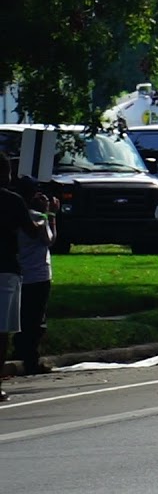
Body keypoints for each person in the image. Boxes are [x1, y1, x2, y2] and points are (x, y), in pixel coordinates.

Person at [0, 154, 52, 402]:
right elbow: (33, 233)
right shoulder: (12, 201)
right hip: (6, 269)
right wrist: (45, 215)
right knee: (2, 331)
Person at [12, 176, 55, 375]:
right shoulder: (38, 216)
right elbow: (48, 239)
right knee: (36, 319)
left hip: (17, 271)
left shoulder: (11, 215)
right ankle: (31, 360)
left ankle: (16, 351)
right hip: (38, 274)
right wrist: (51, 214)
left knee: (18, 317)